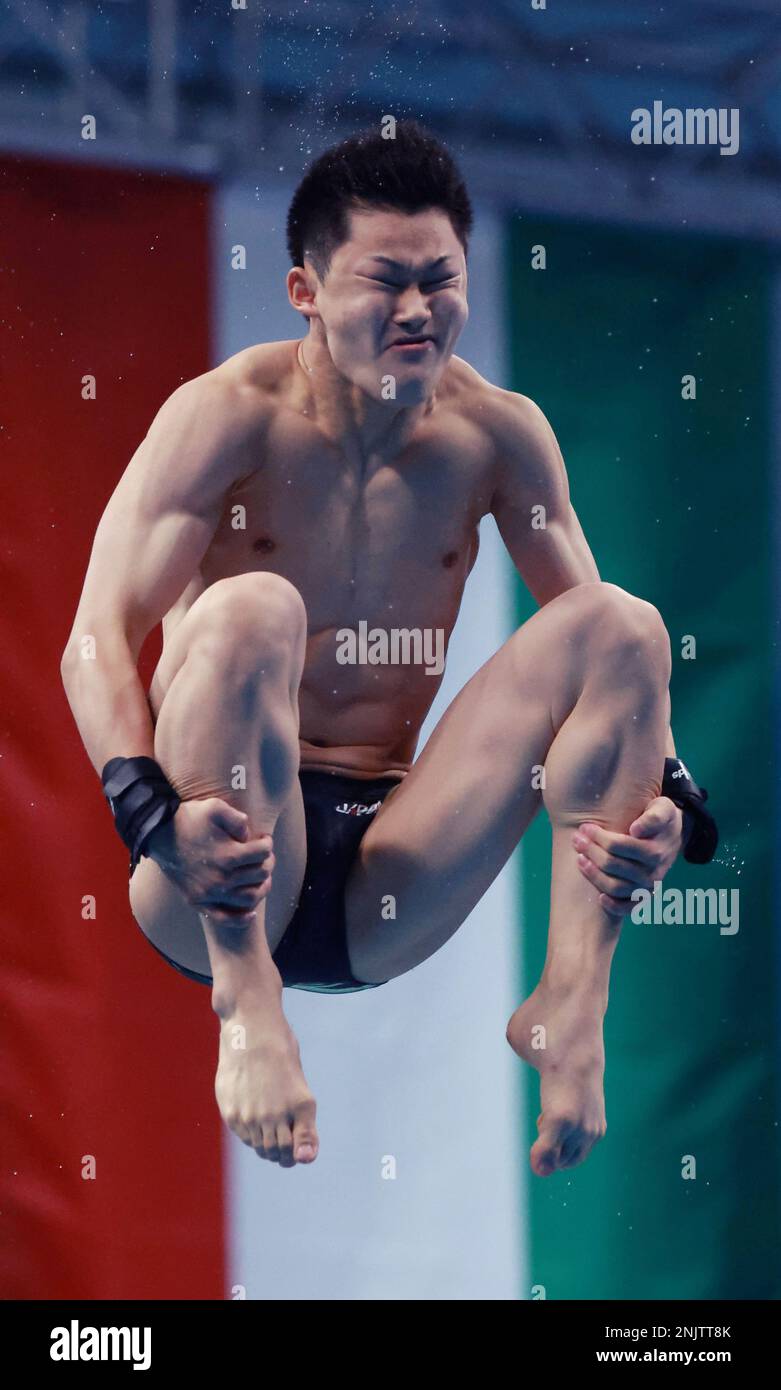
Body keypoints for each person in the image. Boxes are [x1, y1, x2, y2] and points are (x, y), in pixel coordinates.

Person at [61, 119, 716, 1178]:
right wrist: (152, 817)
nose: (417, 310)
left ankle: (569, 1002)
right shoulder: (223, 417)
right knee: (250, 610)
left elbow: (612, 672)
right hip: (214, 860)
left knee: (624, 624)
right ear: (304, 290)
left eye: (439, 280)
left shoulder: (499, 436)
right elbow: (93, 639)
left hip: (391, 875)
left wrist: (662, 801)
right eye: (384, 282)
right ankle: (248, 1007)